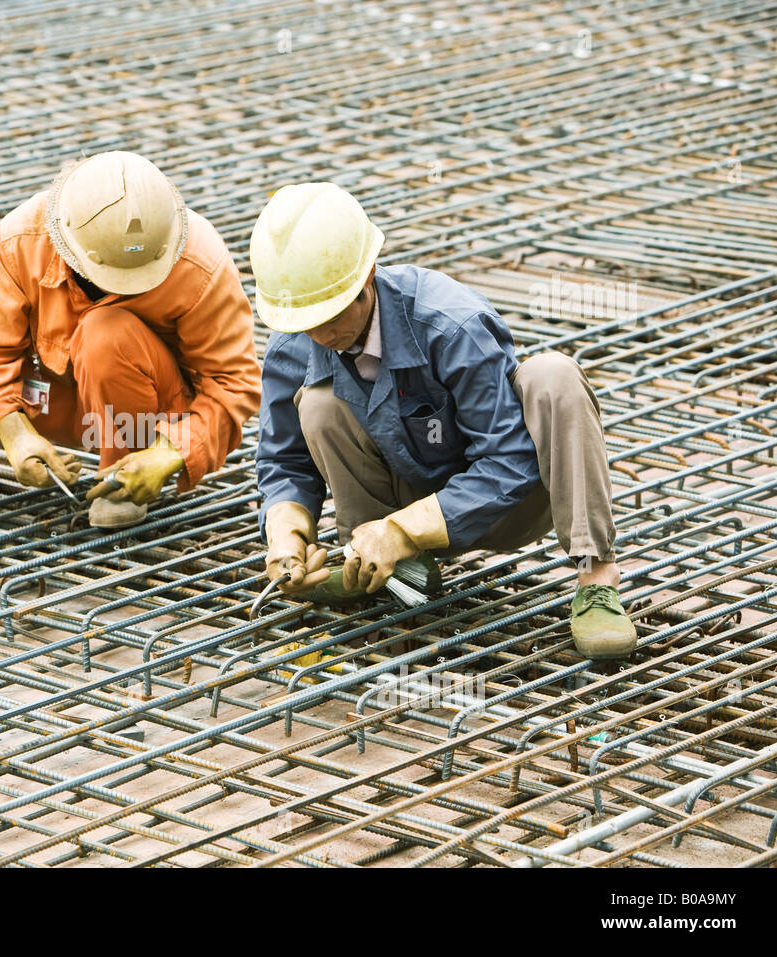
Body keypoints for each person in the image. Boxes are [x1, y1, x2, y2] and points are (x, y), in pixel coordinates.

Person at [251, 182, 636, 659]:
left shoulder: (449, 322)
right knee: (320, 402)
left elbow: (509, 459)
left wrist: (405, 530)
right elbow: (283, 462)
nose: (320, 333)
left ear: (367, 276)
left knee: (554, 377)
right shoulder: (295, 345)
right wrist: (286, 534)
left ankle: (596, 576)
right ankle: (377, 570)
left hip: (509, 504)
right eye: (304, 321)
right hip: (393, 517)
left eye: (329, 315)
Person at [0, 151, 261, 528]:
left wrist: (166, 453)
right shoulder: (22, 236)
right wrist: (16, 435)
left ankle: (123, 480)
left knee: (105, 330)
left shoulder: (200, 262)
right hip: (48, 392)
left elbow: (233, 384)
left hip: (142, 418)